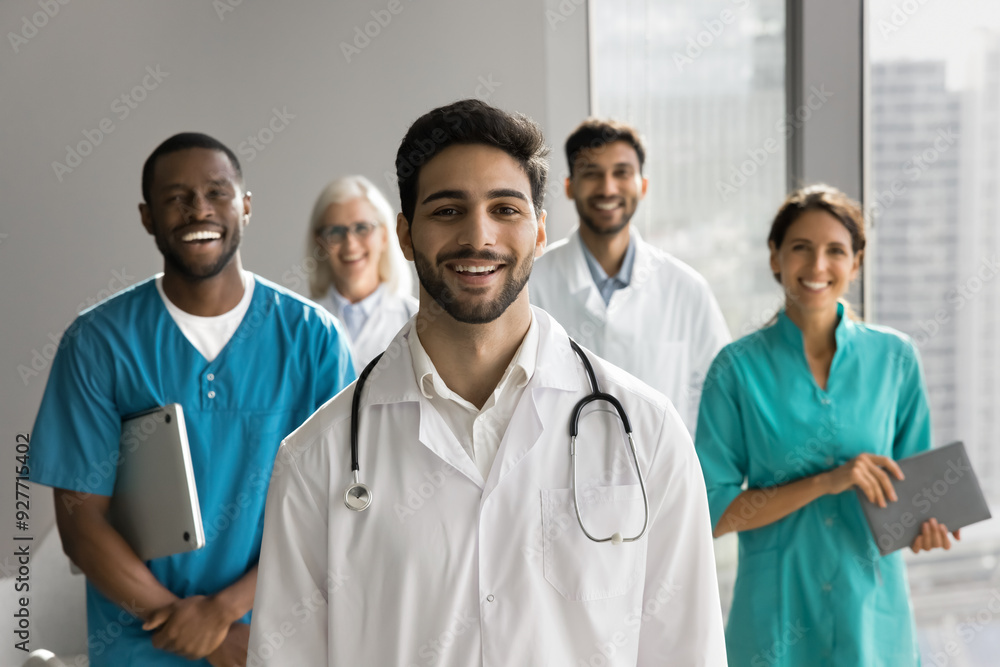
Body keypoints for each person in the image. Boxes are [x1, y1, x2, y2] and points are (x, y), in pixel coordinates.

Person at [248, 99, 727, 665]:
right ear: (404, 236)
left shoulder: (647, 434)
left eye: (505, 209)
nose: (479, 236)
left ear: (541, 231)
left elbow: (685, 650)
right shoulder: (315, 458)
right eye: (447, 210)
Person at [28, 133, 355, 666]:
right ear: (147, 216)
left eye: (216, 192)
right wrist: (194, 626)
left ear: (245, 207)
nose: (197, 209)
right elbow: (81, 522)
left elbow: (339, 507)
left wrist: (226, 614)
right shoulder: (97, 343)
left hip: (273, 638)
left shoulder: (313, 339)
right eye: (175, 197)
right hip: (142, 643)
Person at [695, 184, 959, 666]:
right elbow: (711, 513)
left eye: (836, 251)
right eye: (801, 248)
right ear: (775, 258)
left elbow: (916, 496)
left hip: (873, 626)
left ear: (855, 263)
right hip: (775, 626)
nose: (818, 267)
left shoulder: (895, 359)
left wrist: (926, 526)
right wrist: (826, 481)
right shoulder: (735, 370)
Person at [529, 118, 730, 435]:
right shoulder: (530, 282)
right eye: (591, 173)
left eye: (621, 173)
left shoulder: (687, 290)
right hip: (558, 479)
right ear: (569, 186)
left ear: (643, 185)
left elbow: (720, 403)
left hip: (658, 480)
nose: (607, 187)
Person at [306, 175, 418, 369]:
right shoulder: (303, 324)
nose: (350, 244)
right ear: (320, 242)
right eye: (335, 231)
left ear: (384, 235)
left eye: (362, 228)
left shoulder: (416, 320)